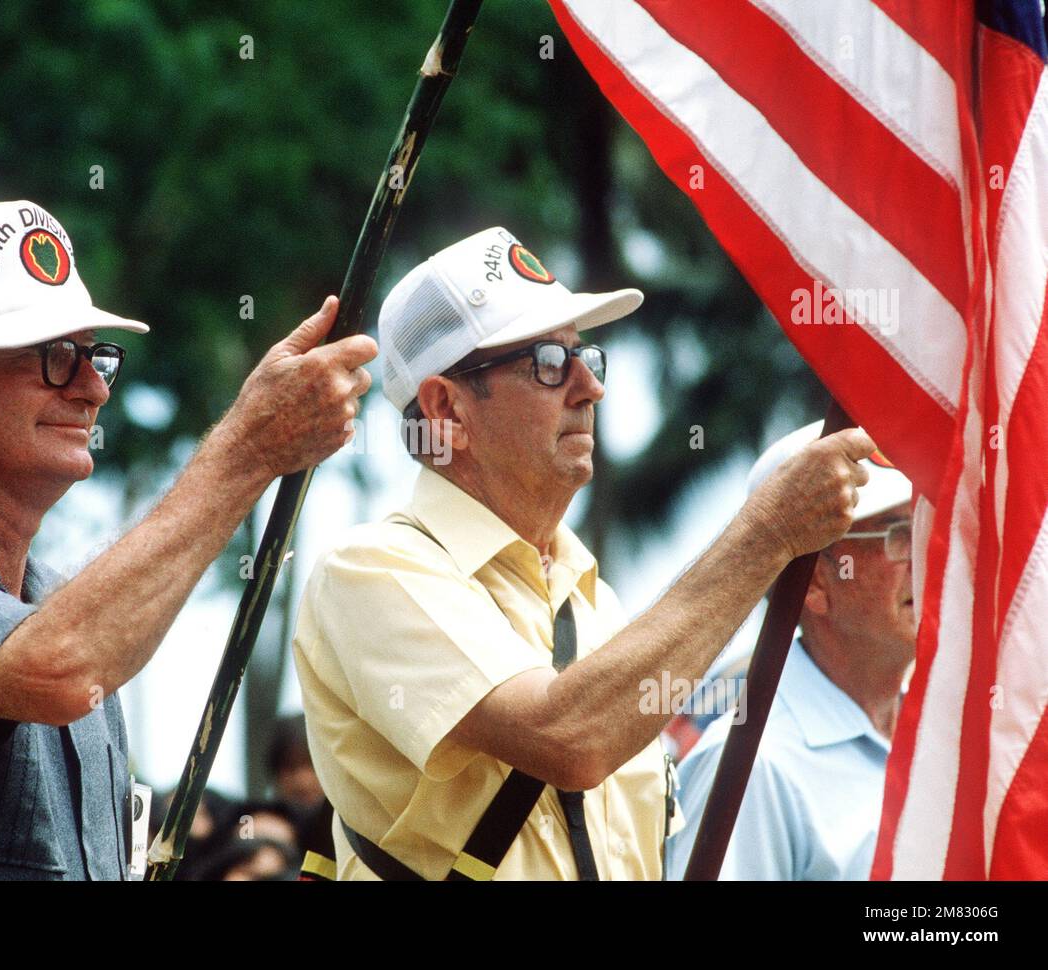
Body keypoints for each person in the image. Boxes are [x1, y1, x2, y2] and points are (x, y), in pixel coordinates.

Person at [0, 199, 376, 879]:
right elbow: (59, 669)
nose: (93, 390)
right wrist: (247, 452)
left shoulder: (65, 617)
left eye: (96, 357)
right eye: (54, 357)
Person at [292, 226, 877, 880]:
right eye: (547, 362)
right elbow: (567, 738)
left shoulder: (592, 599)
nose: (589, 388)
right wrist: (767, 534)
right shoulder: (372, 574)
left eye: (587, 357)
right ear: (445, 408)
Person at [666, 421, 915, 880]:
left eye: (926, 526)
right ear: (815, 582)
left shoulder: (941, 733)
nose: (926, 554)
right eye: (898, 535)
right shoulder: (752, 766)